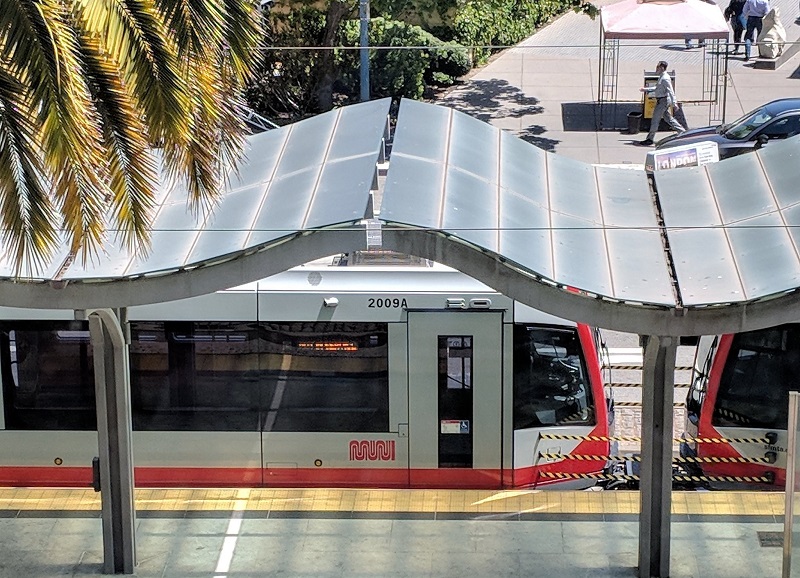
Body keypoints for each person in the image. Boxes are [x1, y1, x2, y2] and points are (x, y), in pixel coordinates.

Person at [636, 61, 686, 146]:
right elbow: (657, 88)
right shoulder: (662, 77)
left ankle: (650, 139)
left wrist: (674, 104)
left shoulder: (665, 78)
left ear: (662, 68)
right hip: (661, 100)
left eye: (658, 67)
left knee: (655, 120)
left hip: (663, 101)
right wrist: (646, 89)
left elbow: (671, 91)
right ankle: (683, 132)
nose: (656, 69)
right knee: (668, 119)